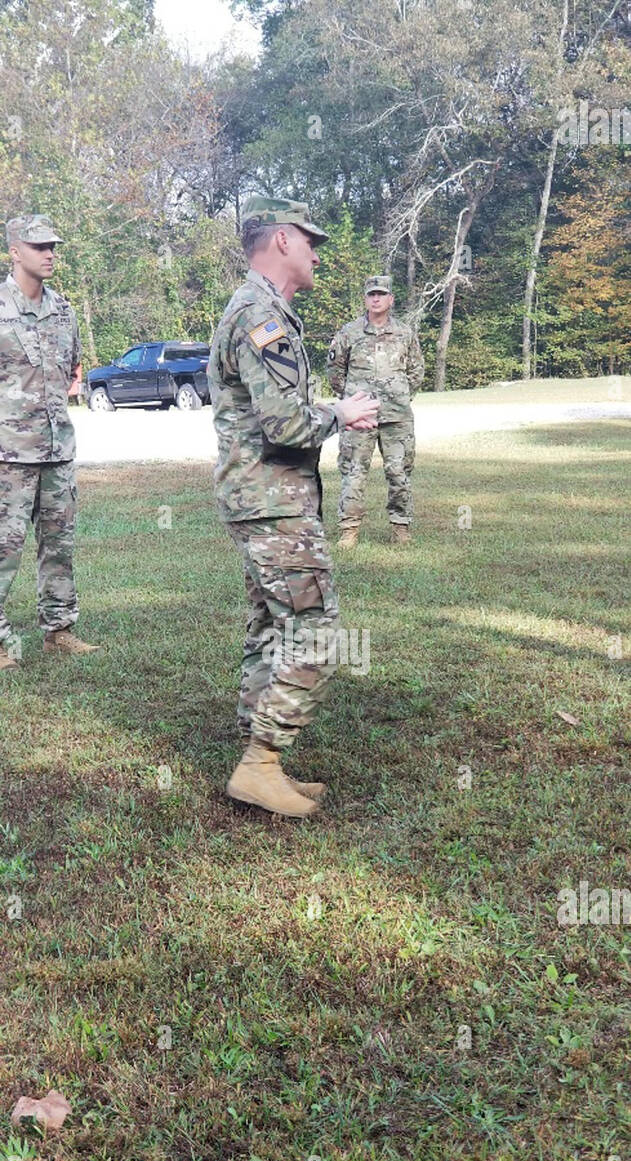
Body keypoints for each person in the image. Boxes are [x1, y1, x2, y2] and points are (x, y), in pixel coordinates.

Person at [208, 195, 378, 817]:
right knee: (315, 633)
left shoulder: (259, 309)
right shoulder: (262, 317)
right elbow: (283, 425)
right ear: (281, 240)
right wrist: (343, 412)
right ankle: (260, 764)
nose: (315, 252)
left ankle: (261, 760)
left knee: (270, 628)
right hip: (272, 499)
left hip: (260, 498)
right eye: (310, 240)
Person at [0, 214, 98, 671]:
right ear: (14, 251)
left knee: (59, 544)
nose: (49, 253)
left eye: (52, 245)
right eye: (38, 246)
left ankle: (58, 630)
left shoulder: (65, 312)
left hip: (58, 450)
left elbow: (72, 371)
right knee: (6, 547)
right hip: (9, 453)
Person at [327, 274, 425, 548]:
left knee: (399, 472)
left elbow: (416, 370)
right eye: (372, 294)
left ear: (391, 299)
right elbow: (335, 371)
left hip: (397, 417)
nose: (376, 298)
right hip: (359, 418)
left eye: (381, 294)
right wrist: (349, 401)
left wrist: (402, 396)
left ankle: (400, 527)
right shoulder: (349, 333)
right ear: (365, 299)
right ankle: (349, 530)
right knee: (354, 472)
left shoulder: (405, 333)